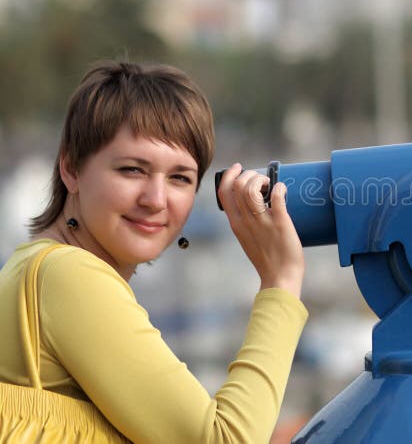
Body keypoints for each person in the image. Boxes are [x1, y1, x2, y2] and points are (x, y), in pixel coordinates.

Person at [0, 60, 308, 442]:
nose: (156, 199)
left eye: (180, 178)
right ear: (71, 169)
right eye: (132, 169)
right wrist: (281, 280)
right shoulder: (67, 276)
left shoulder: (26, 266)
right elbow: (225, 439)